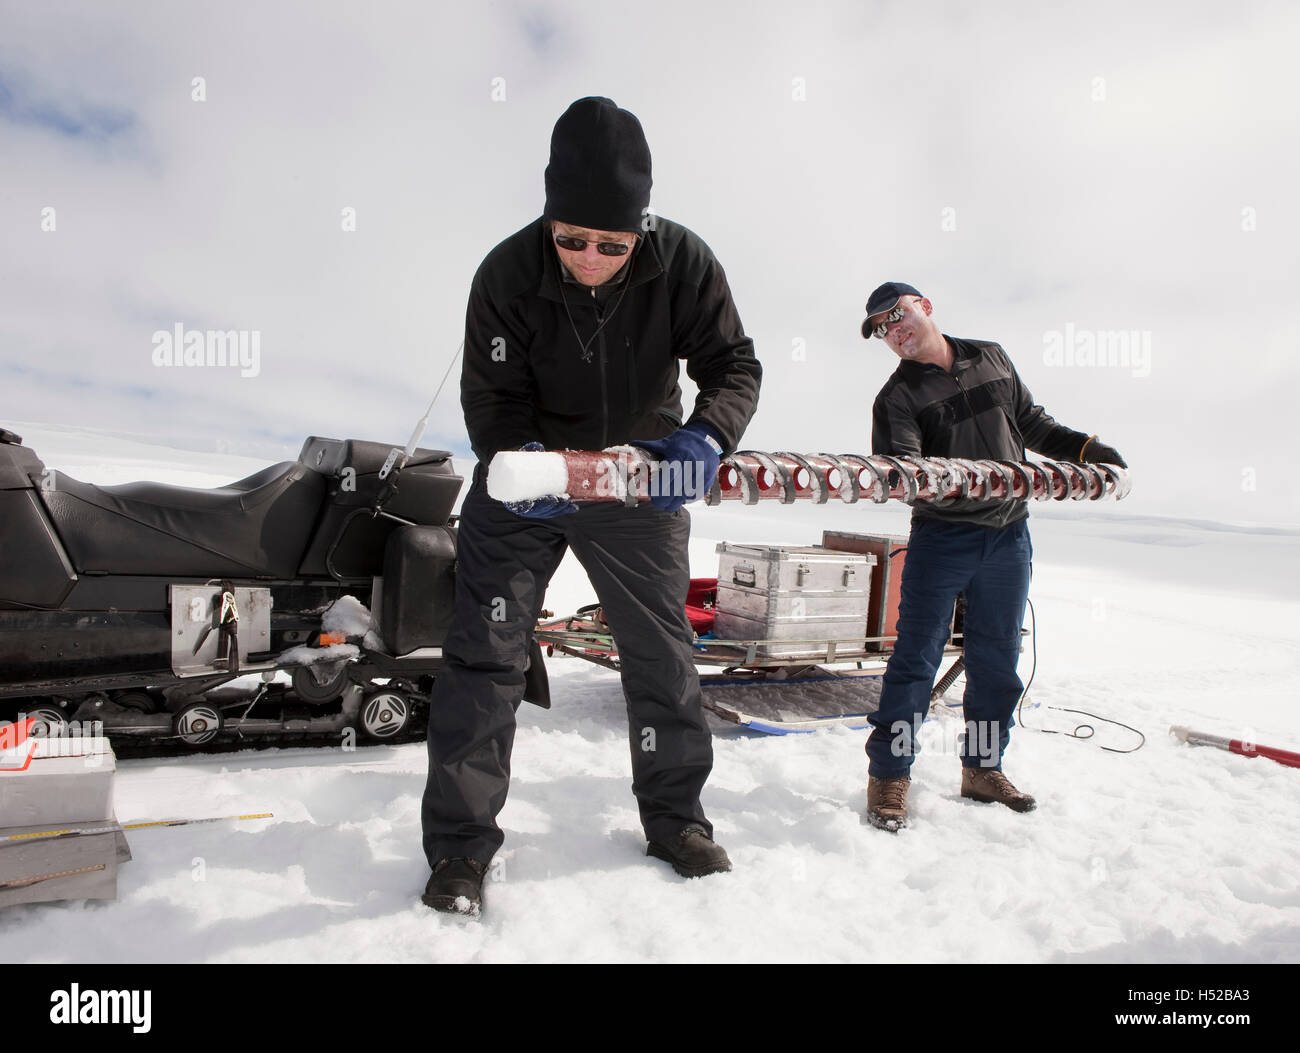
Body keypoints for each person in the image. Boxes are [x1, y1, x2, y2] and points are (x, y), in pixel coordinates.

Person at [420, 97, 762, 913]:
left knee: (660, 655)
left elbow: (733, 365)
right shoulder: (505, 273)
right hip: (528, 482)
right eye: (571, 238)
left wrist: (706, 439)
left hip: (639, 480)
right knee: (484, 658)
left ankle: (676, 819)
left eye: (613, 243)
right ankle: (461, 851)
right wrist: (523, 463)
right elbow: (490, 397)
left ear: (641, 226)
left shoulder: (683, 263)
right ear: (549, 217)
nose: (590, 257)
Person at [860, 282, 1125, 831]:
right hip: (943, 540)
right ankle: (889, 776)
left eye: (899, 315)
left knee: (996, 662)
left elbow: (1032, 424)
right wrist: (929, 476)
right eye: (883, 328)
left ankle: (982, 768)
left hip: (1009, 537)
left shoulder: (992, 357)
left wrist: (1087, 451)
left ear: (925, 306)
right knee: (915, 662)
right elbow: (908, 473)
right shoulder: (897, 398)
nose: (894, 330)